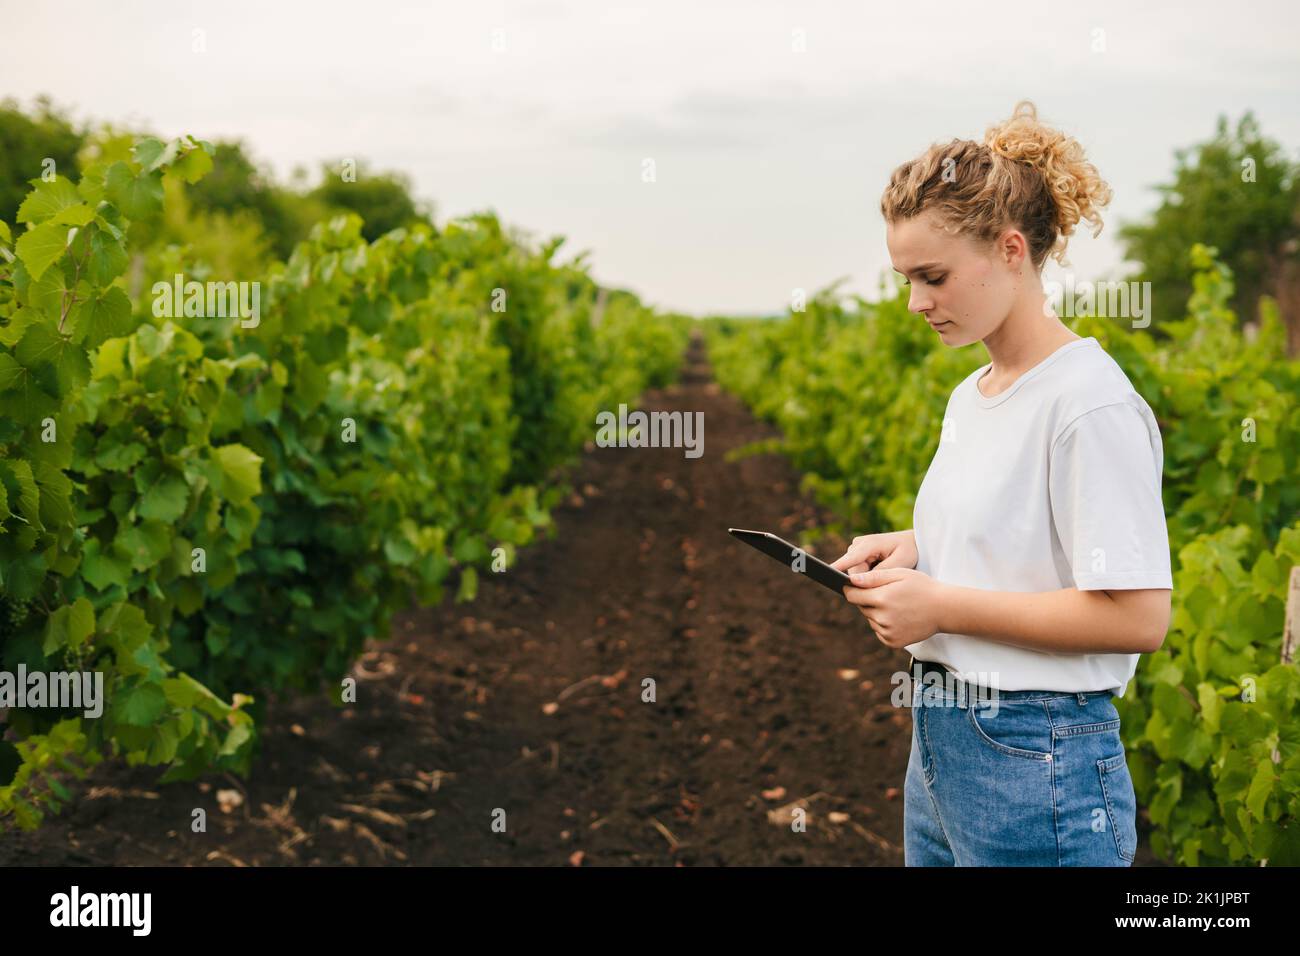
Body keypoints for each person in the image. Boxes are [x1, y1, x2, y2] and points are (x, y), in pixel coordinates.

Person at [829, 100, 1173, 866]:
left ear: (1011, 250)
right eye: (905, 279)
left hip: (1038, 750)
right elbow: (1023, 532)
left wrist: (941, 604)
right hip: (946, 741)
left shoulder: (1088, 402)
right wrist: (917, 550)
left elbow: (1138, 617)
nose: (916, 302)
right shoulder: (975, 392)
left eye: (934, 276)